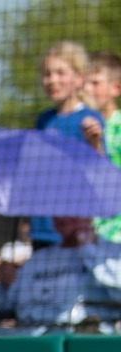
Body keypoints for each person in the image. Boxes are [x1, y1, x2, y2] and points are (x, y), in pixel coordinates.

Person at [33, 42, 104, 250]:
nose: (52, 80)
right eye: (47, 74)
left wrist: (95, 142)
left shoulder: (89, 119)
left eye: (60, 73)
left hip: (72, 229)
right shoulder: (43, 120)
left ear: (79, 78)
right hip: (41, 226)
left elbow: (102, 172)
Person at [85, 51, 121, 244]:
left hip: (116, 236)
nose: (88, 89)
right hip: (88, 236)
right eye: (85, 84)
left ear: (116, 87)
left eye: (95, 83)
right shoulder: (78, 125)